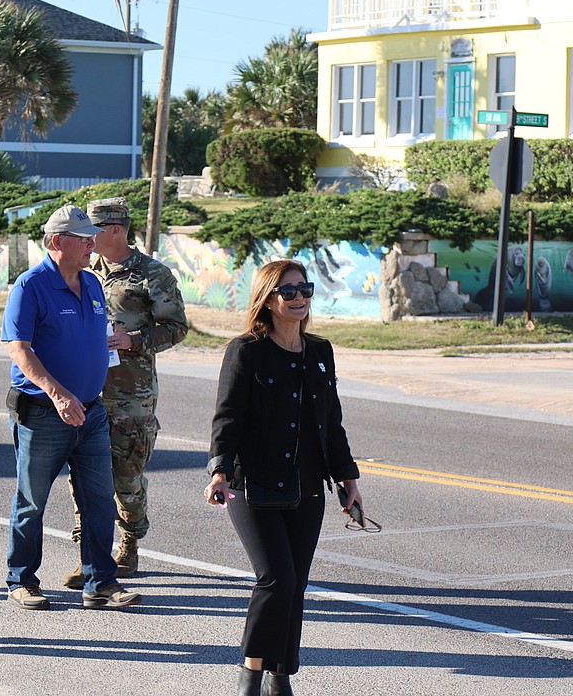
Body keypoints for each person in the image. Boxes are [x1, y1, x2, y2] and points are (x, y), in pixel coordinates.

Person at [202, 259, 364, 696]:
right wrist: (219, 469)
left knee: (297, 585)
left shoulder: (320, 351)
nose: (299, 298)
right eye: (288, 292)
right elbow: (227, 417)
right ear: (267, 299)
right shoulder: (246, 351)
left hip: (309, 487)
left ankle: (281, 675)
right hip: (252, 484)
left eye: (305, 290)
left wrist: (348, 479)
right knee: (276, 578)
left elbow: (332, 423)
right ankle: (250, 674)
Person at [2, 204, 141, 612]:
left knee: (99, 499)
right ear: (57, 242)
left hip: (91, 411)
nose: (92, 245)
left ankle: (100, 583)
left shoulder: (93, 284)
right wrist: (58, 393)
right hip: (45, 412)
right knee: (32, 500)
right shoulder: (30, 286)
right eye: (83, 239)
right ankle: (22, 579)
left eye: (92, 237)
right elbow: (19, 349)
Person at [63, 197, 188, 589]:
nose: (85, 239)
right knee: (82, 476)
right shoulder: (82, 271)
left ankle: (130, 541)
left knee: (126, 476)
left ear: (114, 230)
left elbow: (176, 328)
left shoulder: (152, 274)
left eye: (91, 231)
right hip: (85, 390)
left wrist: (132, 339)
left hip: (131, 395)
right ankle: (90, 556)